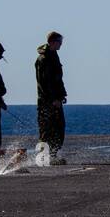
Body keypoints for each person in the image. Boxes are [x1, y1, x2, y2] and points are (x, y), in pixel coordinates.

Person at [36, 31, 67, 163]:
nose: (61, 44)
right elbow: (44, 82)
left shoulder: (54, 56)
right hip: (47, 101)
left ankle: (53, 155)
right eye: (60, 41)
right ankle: (43, 158)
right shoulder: (43, 59)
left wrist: (62, 95)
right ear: (53, 41)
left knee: (59, 128)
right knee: (47, 130)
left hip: (56, 100)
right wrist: (53, 99)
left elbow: (58, 80)